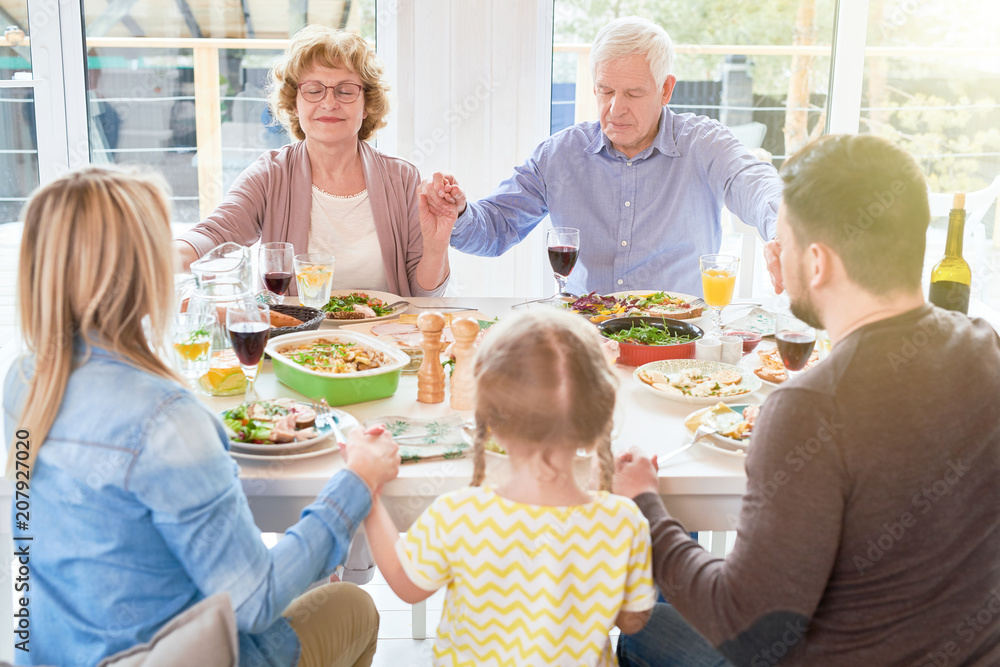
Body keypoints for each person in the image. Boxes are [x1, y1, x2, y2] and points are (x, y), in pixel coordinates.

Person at [614, 135, 1000, 666]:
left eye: (783, 239)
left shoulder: (810, 408)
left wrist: (644, 508)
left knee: (645, 629)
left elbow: (742, 627)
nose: (776, 252)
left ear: (817, 262)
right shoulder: (986, 347)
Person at [4, 166, 402, 667]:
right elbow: (255, 600)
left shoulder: (25, 381)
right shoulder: (168, 421)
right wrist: (357, 483)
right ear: (145, 272)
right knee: (354, 606)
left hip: (57, 653)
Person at [364, 309, 656, 665]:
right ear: (599, 417)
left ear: (491, 420)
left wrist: (368, 491)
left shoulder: (460, 514)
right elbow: (632, 620)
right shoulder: (624, 521)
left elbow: (406, 584)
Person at [422, 16, 783, 297]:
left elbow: (757, 186)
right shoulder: (560, 155)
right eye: (605, 90)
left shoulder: (703, 144)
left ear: (666, 90)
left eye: (634, 93)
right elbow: (495, 230)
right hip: (585, 339)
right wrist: (457, 214)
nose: (615, 108)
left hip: (676, 337)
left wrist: (786, 231)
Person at [175, 26, 452, 298]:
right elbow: (215, 233)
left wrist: (437, 246)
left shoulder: (402, 177)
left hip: (381, 337)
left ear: (366, 105)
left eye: (345, 91)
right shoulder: (271, 173)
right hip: (294, 340)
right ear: (295, 103)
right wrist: (156, 257)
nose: (329, 103)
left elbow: (422, 296)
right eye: (313, 90)